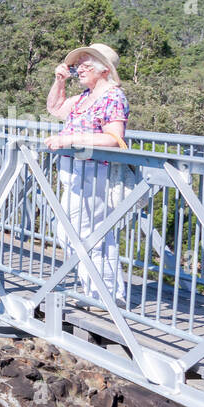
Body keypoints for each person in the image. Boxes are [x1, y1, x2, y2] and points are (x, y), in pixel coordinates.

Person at [44, 42, 130, 304]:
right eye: (77, 64)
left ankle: (108, 295)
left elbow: (115, 139)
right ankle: (95, 291)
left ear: (103, 70)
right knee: (72, 232)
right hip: (74, 173)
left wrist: (72, 140)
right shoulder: (84, 96)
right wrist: (60, 81)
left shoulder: (113, 96)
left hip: (95, 172)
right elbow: (55, 109)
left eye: (85, 64)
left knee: (90, 233)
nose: (79, 69)